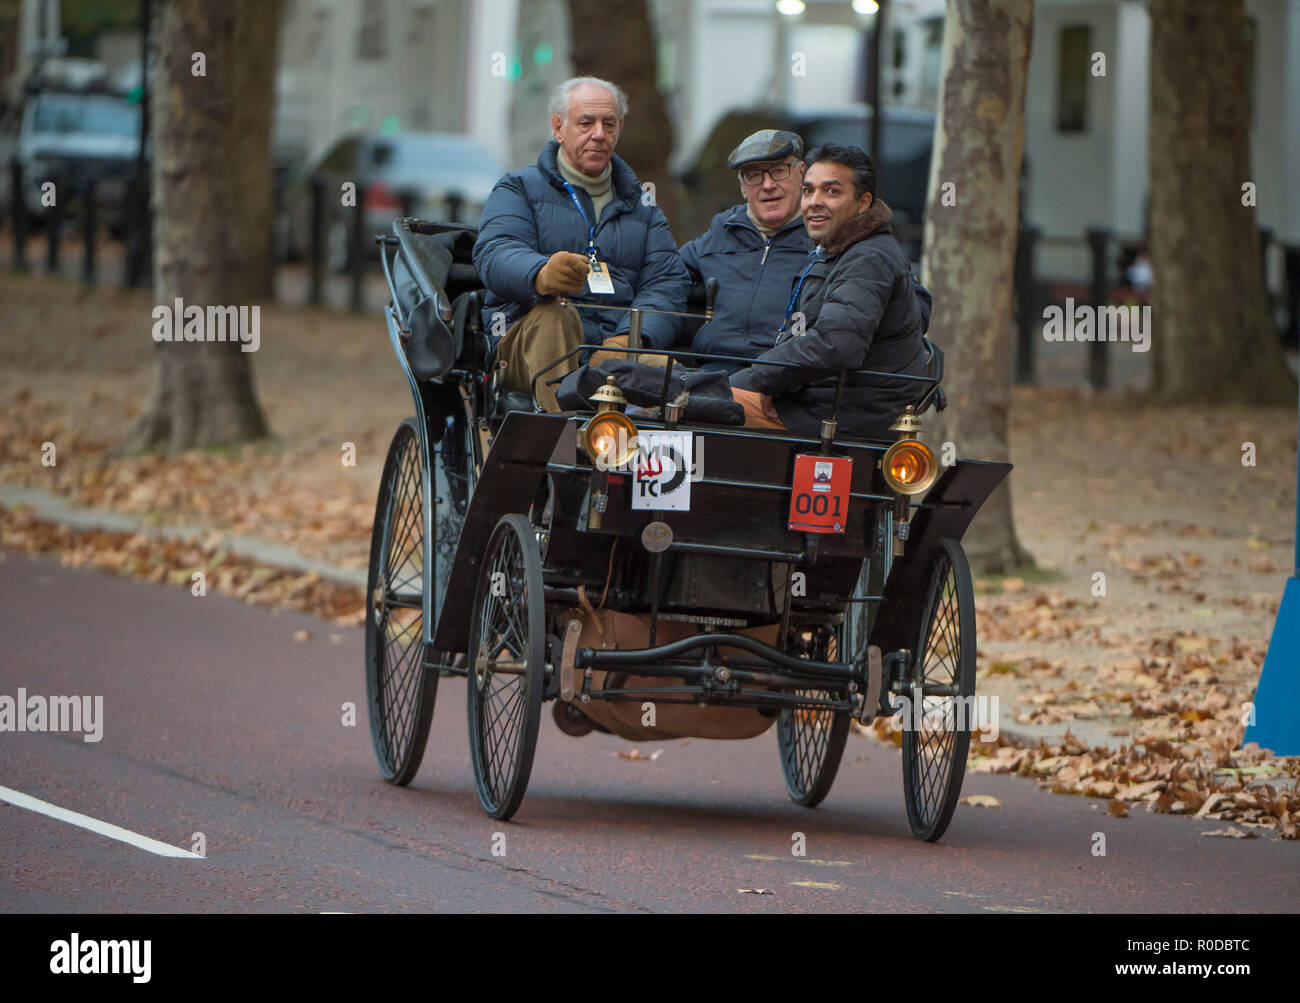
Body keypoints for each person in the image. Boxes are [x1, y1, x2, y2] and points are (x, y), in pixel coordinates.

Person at [472, 76, 690, 411]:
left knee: (678, 382)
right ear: (558, 128)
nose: (599, 134)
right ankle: (569, 446)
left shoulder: (642, 205)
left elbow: (667, 282)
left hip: (612, 349)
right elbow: (495, 251)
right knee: (554, 316)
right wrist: (539, 273)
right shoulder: (519, 188)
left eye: (609, 124)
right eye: (586, 123)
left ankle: (646, 458)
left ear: (619, 128)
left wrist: (629, 339)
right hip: (525, 345)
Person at [729, 144, 930, 439]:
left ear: (863, 203)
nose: (814, 202)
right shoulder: (844, 248)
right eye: (808, 191)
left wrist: (760, 378)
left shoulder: (868, 257)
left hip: (836, 415)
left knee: (688, 405)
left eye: (831, 192)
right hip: (825, 404)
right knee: (688, 390)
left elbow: (836, 345)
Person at [677, 130, 812, 374]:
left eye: (779, 171)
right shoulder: (723, 230)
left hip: (787, 381)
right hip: (713, 371)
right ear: (742, 187)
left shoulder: (822, 239)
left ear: (801, 173)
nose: (768, 185)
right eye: (753, 176)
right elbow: (663, 275)